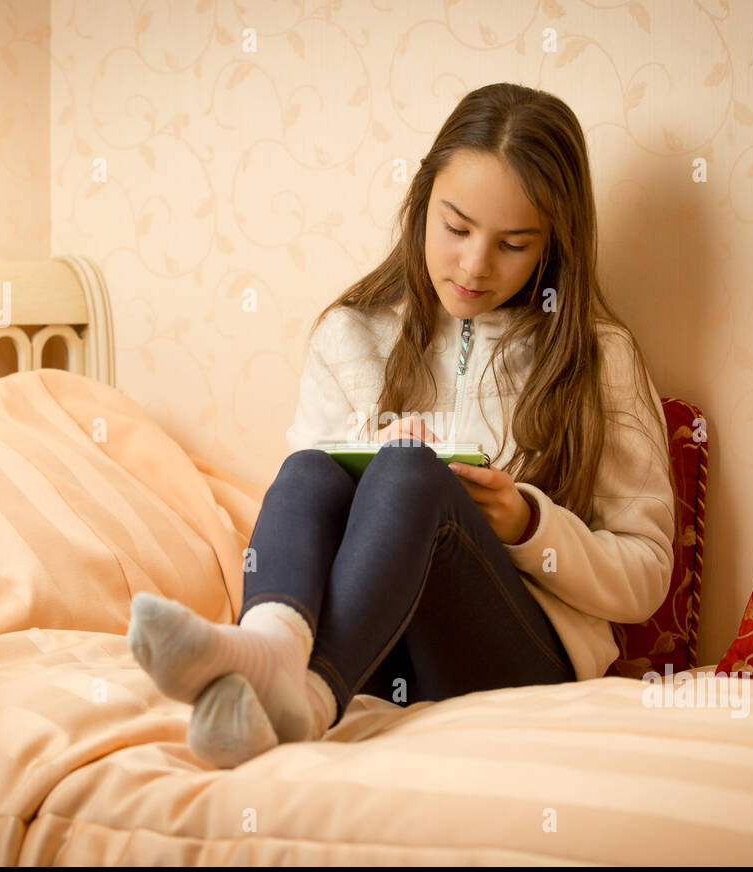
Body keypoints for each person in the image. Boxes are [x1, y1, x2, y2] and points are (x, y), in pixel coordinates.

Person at [126, 82, 680, 769]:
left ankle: (311, 699)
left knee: (409, 470)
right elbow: (314, 524)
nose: (475, 267)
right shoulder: (350, 333)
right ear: (421, 203)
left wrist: (528, 525)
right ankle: (269, 651)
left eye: (513, 244)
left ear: (552, 246)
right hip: (377, 655)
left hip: (517, 659)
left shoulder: (599, 358)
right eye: (456, 228)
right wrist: (370, 484)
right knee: (308, 470)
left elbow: (647, 573)